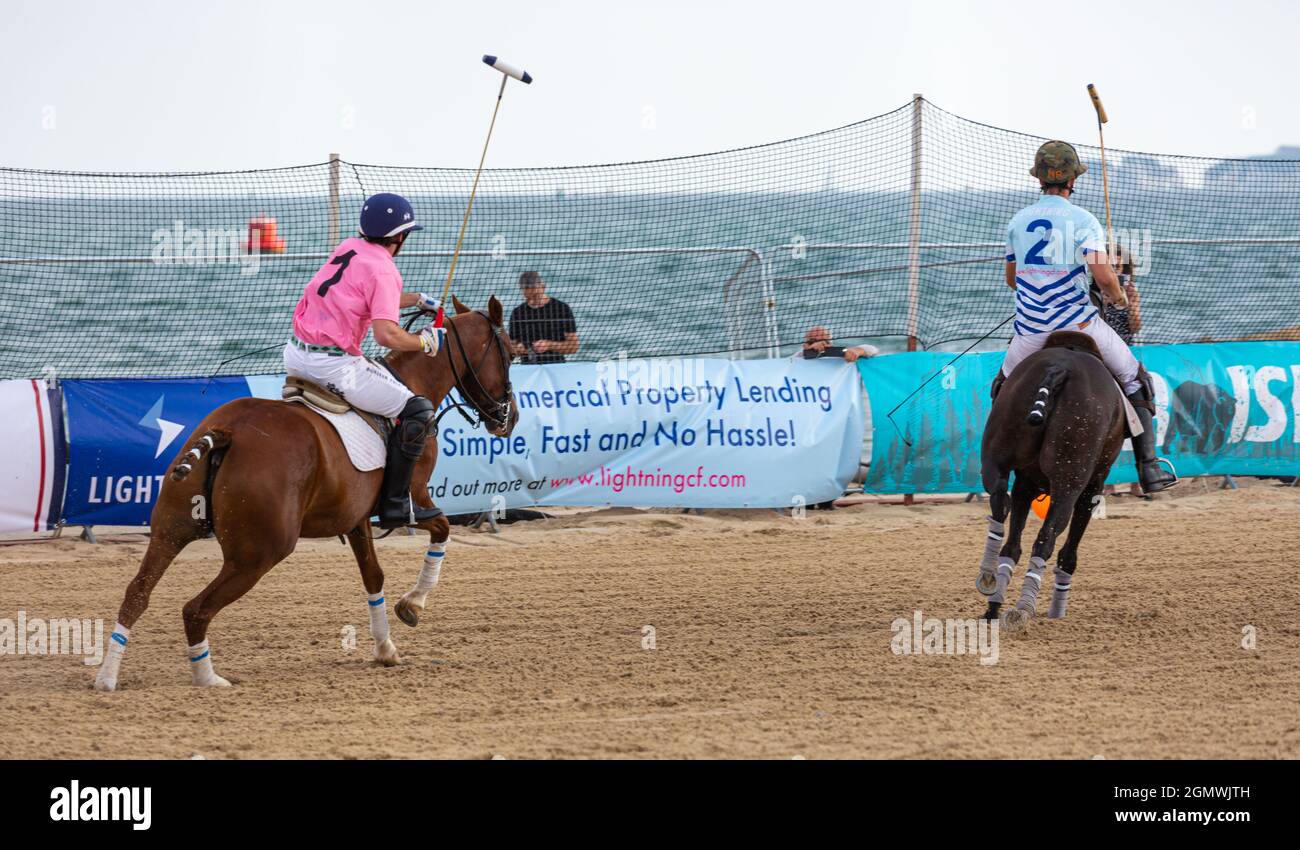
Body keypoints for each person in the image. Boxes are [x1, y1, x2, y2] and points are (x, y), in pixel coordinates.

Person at [993, 140, 1176, 494]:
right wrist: (1118, 296)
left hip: (1030, 332)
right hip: (1080, 324)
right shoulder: (1084, 219)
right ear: (1072, 181)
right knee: (1136, 378)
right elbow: (1104, 277)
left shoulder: (1017, 221)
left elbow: (1012, 280)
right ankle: (1149, 468)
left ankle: (999, 465)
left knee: (1002, 387)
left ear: (1040, 179)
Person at [283, 192, 447, 528]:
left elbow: (363, 296)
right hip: (335, 367)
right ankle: (397, 504)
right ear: (399, 236)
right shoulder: (384, 268)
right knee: (418, 410)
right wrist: (424, 342)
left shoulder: (348, 247)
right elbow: (386, 336)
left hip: (296, 355)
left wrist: (415, 299)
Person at [1089, 246, 1147, 498]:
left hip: (1122, 354)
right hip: (1098, 357)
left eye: (1119, 267)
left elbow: (1135, 328)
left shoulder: (1130, 291)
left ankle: (1144, 472)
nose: (1114, 271)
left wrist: (1130, 303)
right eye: (1109, 266)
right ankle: (1105, 482)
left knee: (1141, 399)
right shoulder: (1090, 293)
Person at [508, 271, 579, 364]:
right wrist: (520, 349)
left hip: (556, 367)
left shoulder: (561, 309)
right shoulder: (517, 313)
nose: (534, 299)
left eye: (535, 292)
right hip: (528, 369)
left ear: (543, 286)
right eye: (527, 292)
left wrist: (549, 345)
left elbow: (573, 347)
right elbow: (510, 349)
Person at [798, 325, 879, 362]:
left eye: (824, 341)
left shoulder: (844, 356)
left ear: (831, 343)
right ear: (805, 345)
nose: (820, 345)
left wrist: (858, 351)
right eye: (813, 341)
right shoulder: (798, 359)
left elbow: (874, 350)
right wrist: (810, 350)